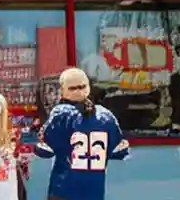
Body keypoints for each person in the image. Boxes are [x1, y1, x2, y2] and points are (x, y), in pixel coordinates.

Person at [34, 68, 129, 200]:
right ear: (88, 88)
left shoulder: (61, 114)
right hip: (94, 192)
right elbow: (120, 151)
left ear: (62, 90)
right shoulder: (106, 116)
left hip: (64, 191)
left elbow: (44, 151)